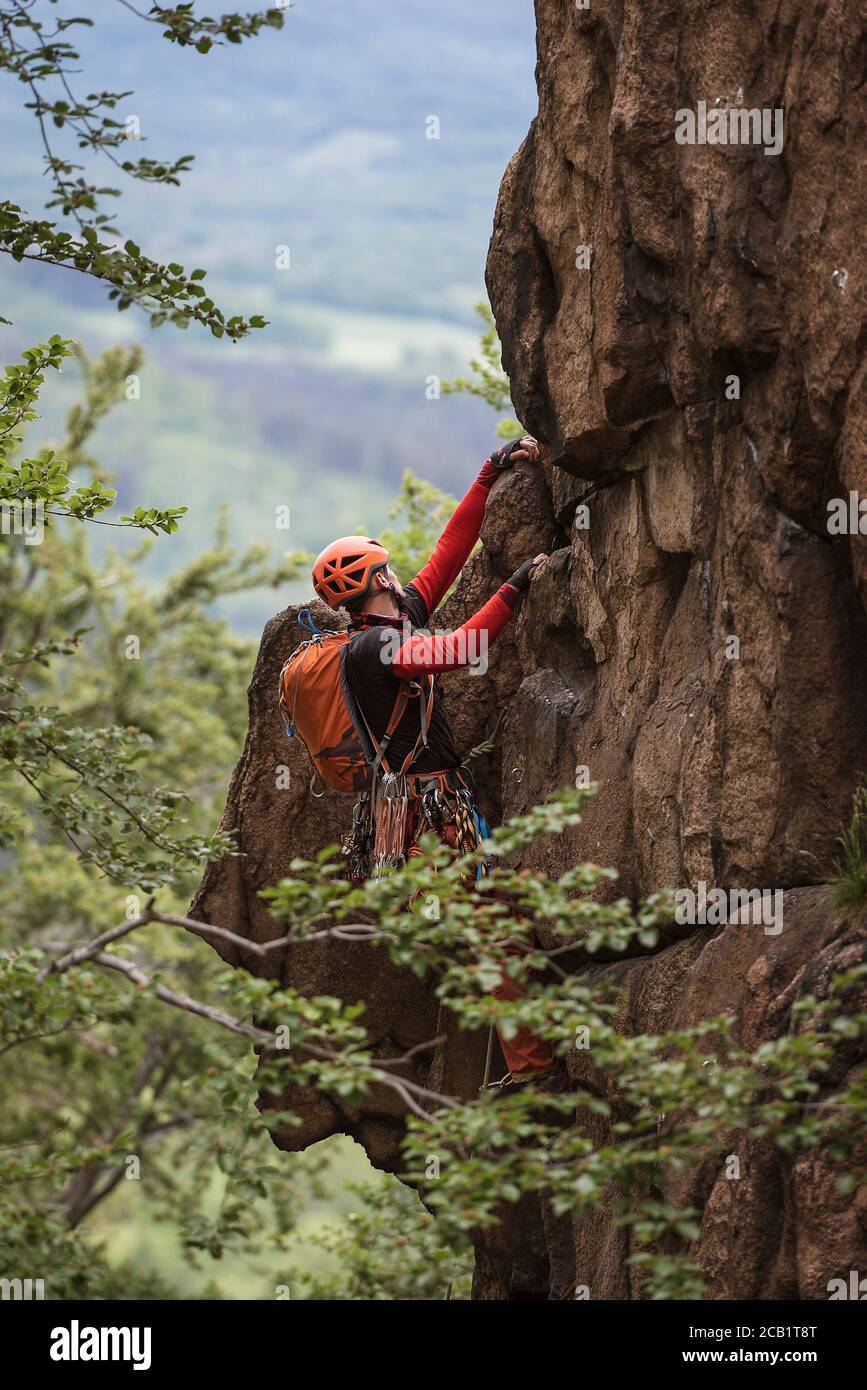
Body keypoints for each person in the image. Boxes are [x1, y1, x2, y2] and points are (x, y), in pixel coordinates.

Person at [310, 437, 556, 1085]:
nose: (399, 575)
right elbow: (454, 651)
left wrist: (489, 472)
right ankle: (530, 1067)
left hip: (420, 804)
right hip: (427, 810)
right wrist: (514, 587)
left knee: (482, 925)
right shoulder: (371, 651)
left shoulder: (394, 621)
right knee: (488, 928)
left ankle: (519, 1057)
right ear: (377, 580)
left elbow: (450, 549)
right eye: (387, 569)